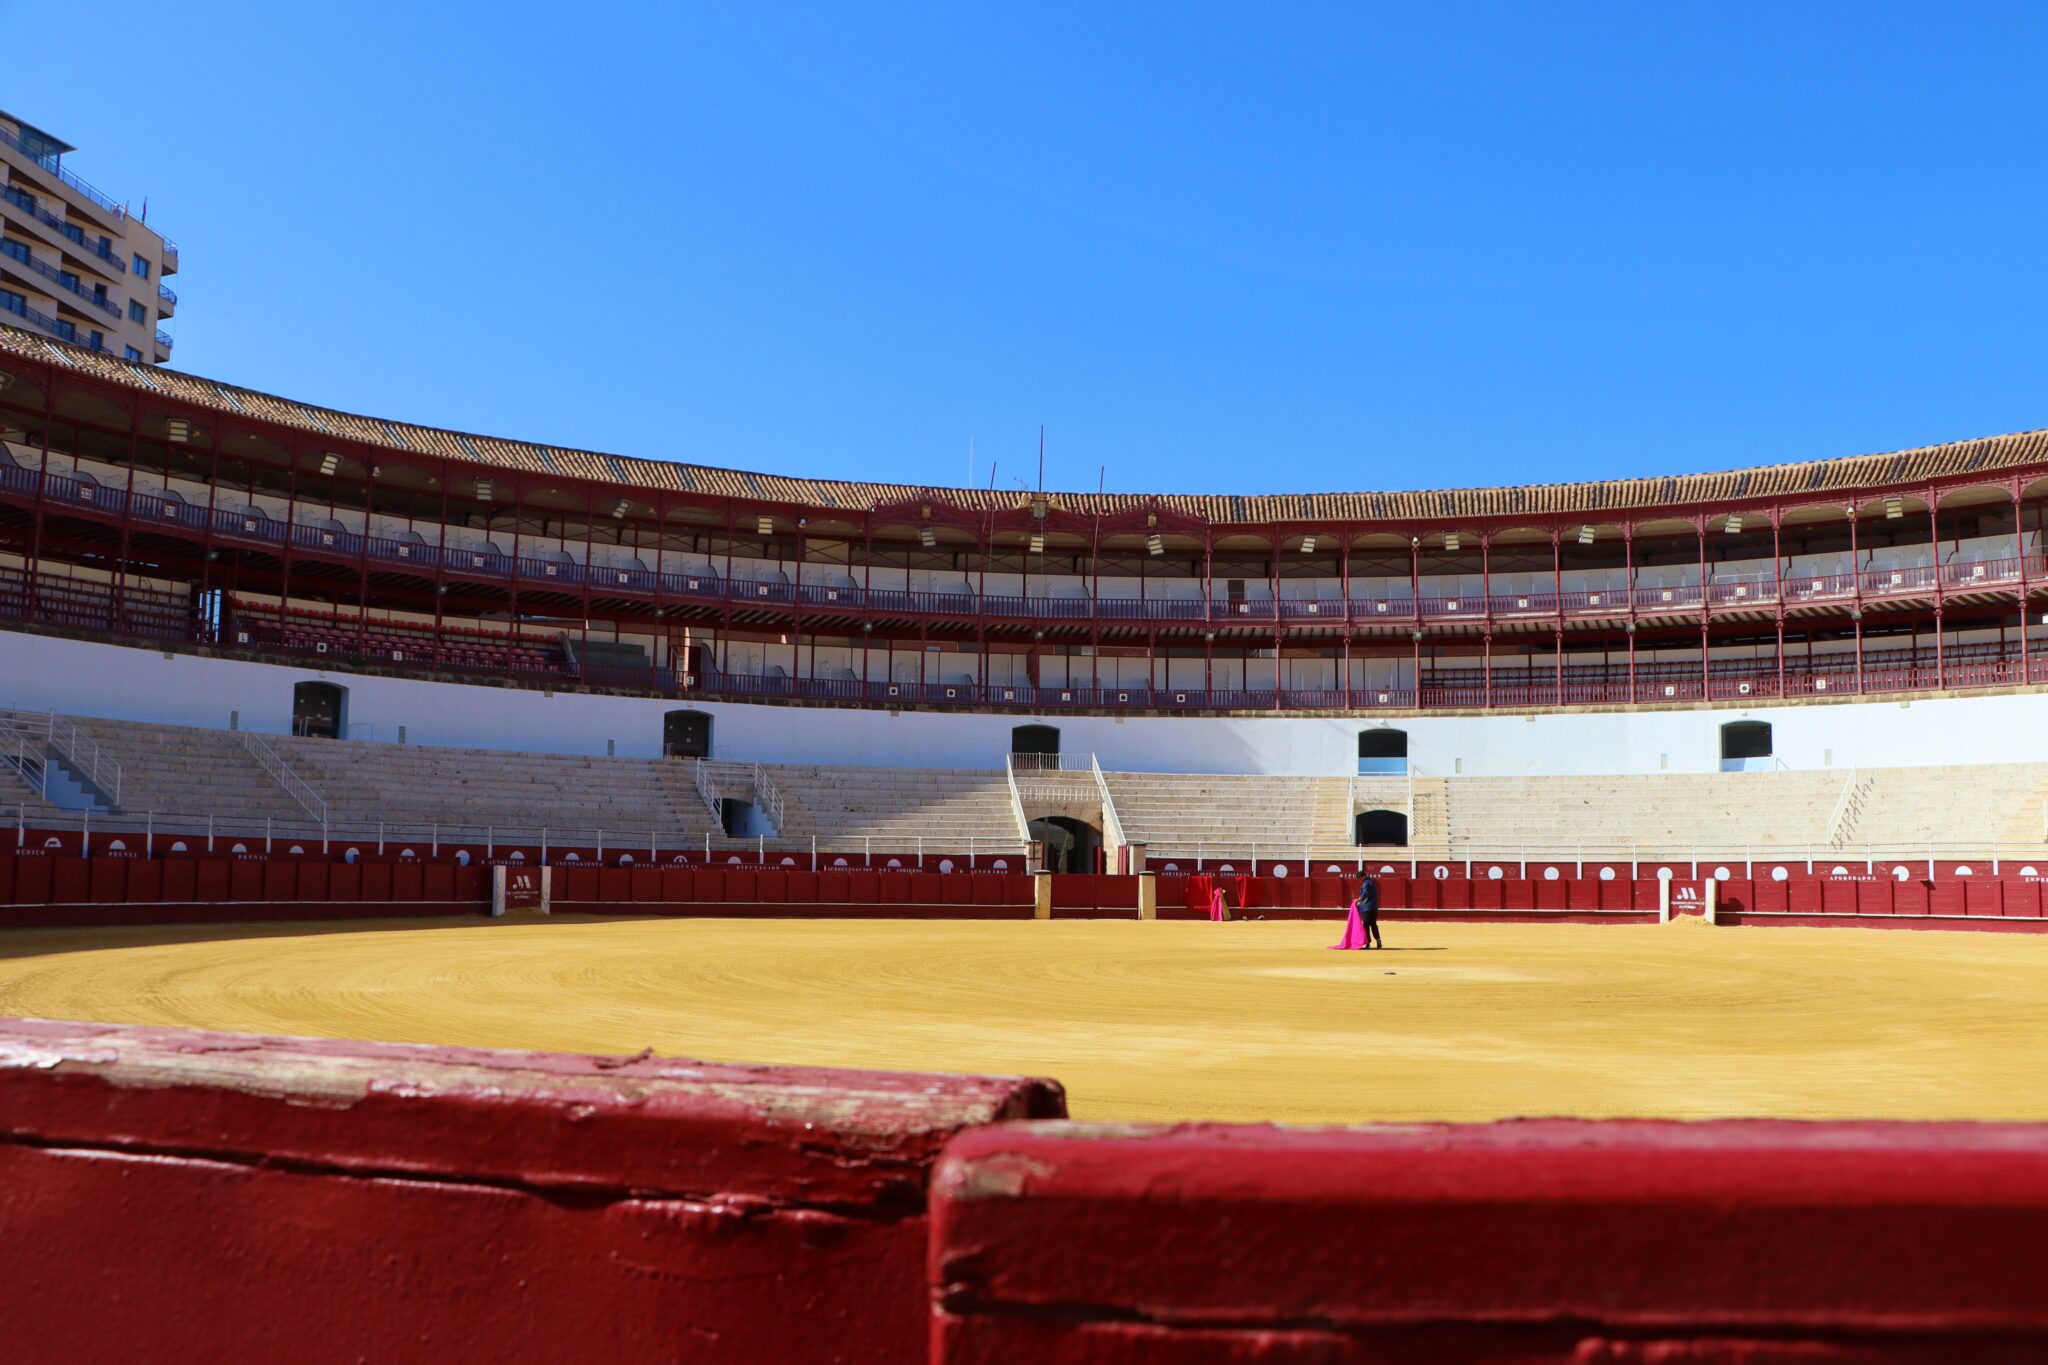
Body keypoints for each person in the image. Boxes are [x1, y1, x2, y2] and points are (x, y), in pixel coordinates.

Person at [1355, 875, 1383, 949]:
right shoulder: (1371, 881)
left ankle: (1368, 943)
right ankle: (1378, 940)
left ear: (1362, 876)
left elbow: (1365, 893)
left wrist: (1359, 900)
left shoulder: (1366, 883)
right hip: (1374, 907)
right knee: (1373, 924)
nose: (1359, 880)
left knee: (1366, 925)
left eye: (1359, 878)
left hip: (1366, 907)